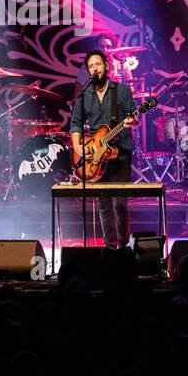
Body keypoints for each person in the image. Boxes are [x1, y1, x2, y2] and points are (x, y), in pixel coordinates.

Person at [69, 50, 140, 249]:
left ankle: (124, 246)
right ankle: (111, 247)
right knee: (103, 204)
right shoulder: (85, 94)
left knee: (120, 204)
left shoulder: (122, 90)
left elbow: (133, 117)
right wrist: (77, 146)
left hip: (120, 154)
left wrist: (133, 120)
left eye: (97, 64)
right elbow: (75, 123)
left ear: (106, 65)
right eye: (91, 66)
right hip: (95, 156)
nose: (95, 69)